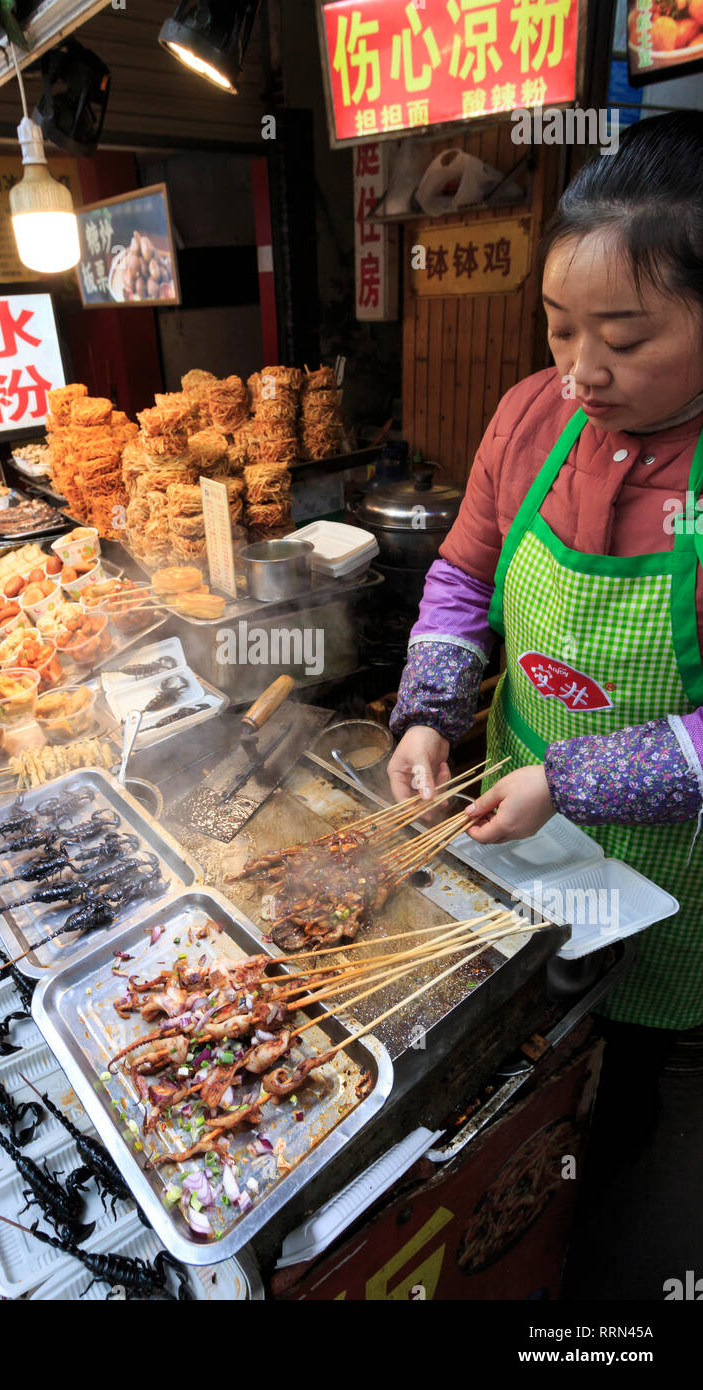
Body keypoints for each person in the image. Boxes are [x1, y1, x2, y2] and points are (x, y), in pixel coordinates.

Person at [387, 111, 703, 1053]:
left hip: (678, 857)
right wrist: (429, 715)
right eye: (561, 331)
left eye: (625, 340)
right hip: (514, 814)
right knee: (520, 1034)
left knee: (646, 1067)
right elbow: (461, 578)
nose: (582, 373)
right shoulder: (531, 414)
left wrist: (569, 781)